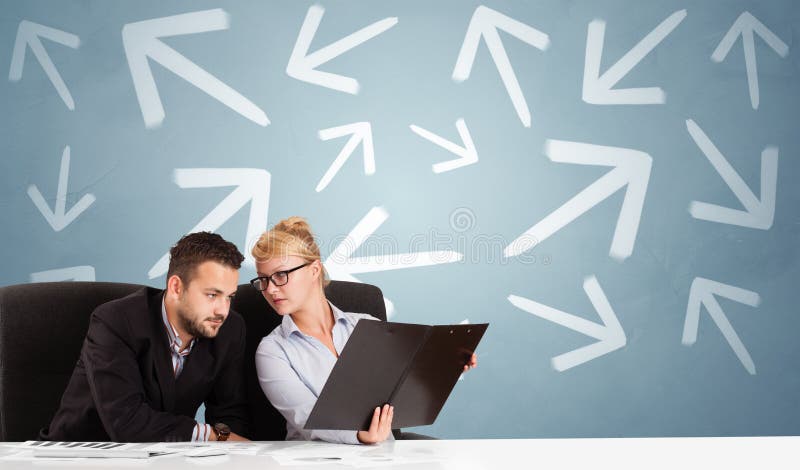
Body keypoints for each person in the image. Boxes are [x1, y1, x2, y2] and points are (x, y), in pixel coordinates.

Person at [251, 217, 477, 445]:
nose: (270, 289)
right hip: (316, 459)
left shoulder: (367, 326)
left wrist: (446, 367)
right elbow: (305, 416)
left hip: (382, 456)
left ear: (314, 270)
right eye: (263, 279)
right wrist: (358, 436)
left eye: (280, 275)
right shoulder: (272, 350)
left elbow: (406, 384)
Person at [40, 232, 250, 442]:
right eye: (212, 295)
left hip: (164, 454)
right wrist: (212, 436)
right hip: (80, 453)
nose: (223, 310)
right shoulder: (115, 321)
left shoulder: (230, 328)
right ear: (176, 287)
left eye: (229, 297)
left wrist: (225, 449)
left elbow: (230, 414)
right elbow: (126, 421)